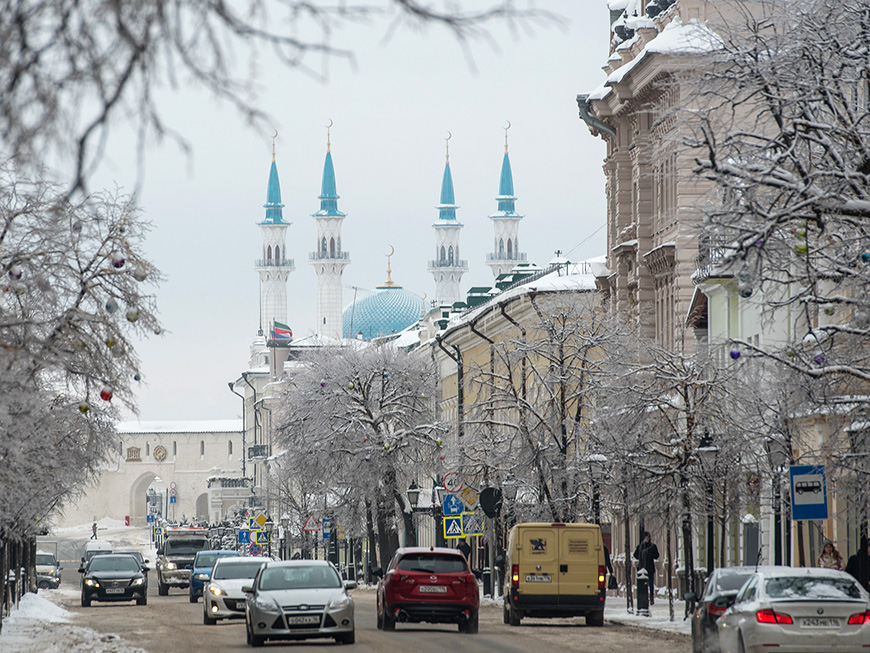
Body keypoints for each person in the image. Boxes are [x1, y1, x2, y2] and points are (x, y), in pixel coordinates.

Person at [633, 531, 659, 605]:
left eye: (647, 537)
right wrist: (641, 557)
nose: (646, 539)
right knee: (643, 584)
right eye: (645, 537)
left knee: (650, 584)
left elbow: (656, 555)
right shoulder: (640, 546)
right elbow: (635, 555)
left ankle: (651, 596)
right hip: (642, 568)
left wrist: (651, 555)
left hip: (650, 568)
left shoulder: (652, 546)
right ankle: (644, 597)